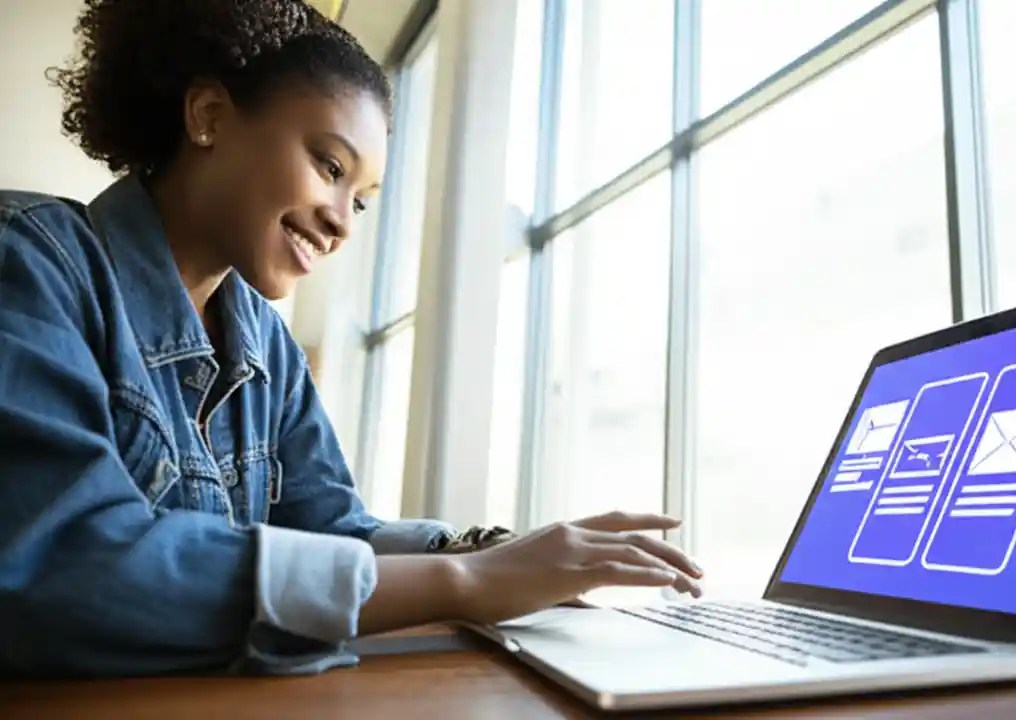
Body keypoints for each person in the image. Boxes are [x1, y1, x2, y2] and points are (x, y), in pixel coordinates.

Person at [0, 0, 701, 677]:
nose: (343, 222)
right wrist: (464, 579)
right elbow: (63, 567)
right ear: (209, 116)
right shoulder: (29, 263)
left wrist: (497, 552)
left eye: (362, 200)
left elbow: (327, 529)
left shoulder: (266, 346)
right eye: (331, 167)